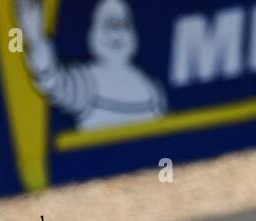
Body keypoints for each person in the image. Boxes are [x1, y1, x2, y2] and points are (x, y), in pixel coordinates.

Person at [15, 0, 166, 131]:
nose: (116, 34)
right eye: (108, 25)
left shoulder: (152, 89)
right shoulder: (87, 82)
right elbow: (52, 81)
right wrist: (35, 38)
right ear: (93, 32)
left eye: (122, 25)